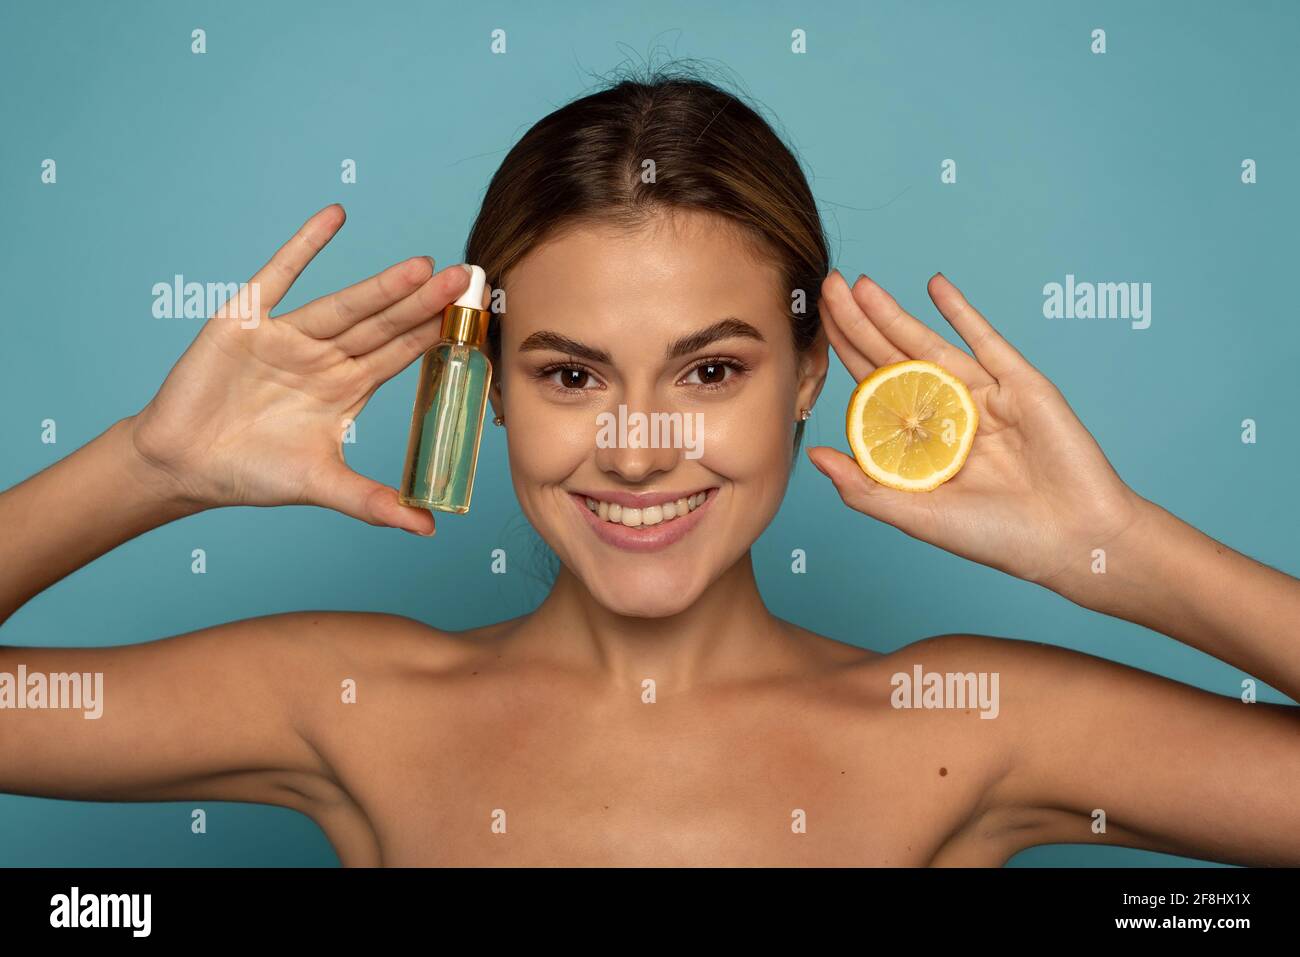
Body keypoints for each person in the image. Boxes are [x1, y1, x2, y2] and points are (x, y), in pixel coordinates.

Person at [2, 71, 1297, 867]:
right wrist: (152, 466)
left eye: (710, 370)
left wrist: (1118, 549)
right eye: (570, 376)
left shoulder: (973, 723)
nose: (635, 447)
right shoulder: (344, 701)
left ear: (808, 375)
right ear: (490, 391)